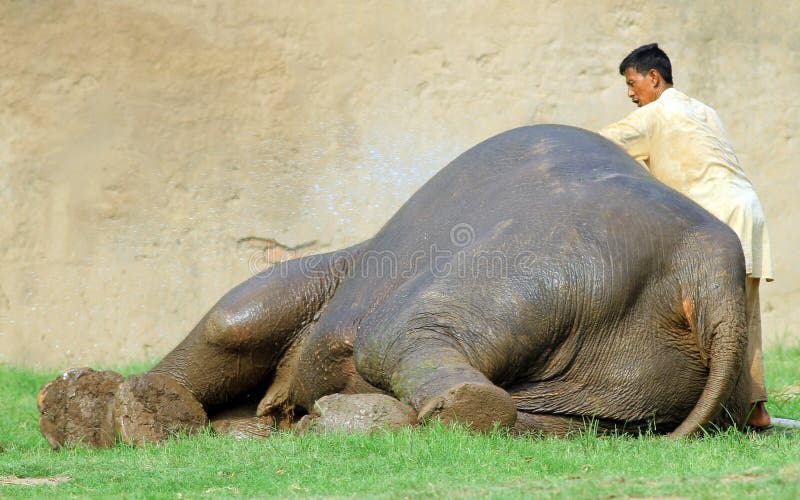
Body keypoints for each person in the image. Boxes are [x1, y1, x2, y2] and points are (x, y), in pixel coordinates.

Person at [599, 43, 774, 429]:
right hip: (746, 207)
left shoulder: (655, 114)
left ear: (653, 79)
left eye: (632, 84)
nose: (630, 94)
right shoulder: (702, 110)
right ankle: (754, 408)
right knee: (744, 313)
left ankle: (708, 407)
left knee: (707, 314)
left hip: (717, 216)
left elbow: (597, 145)